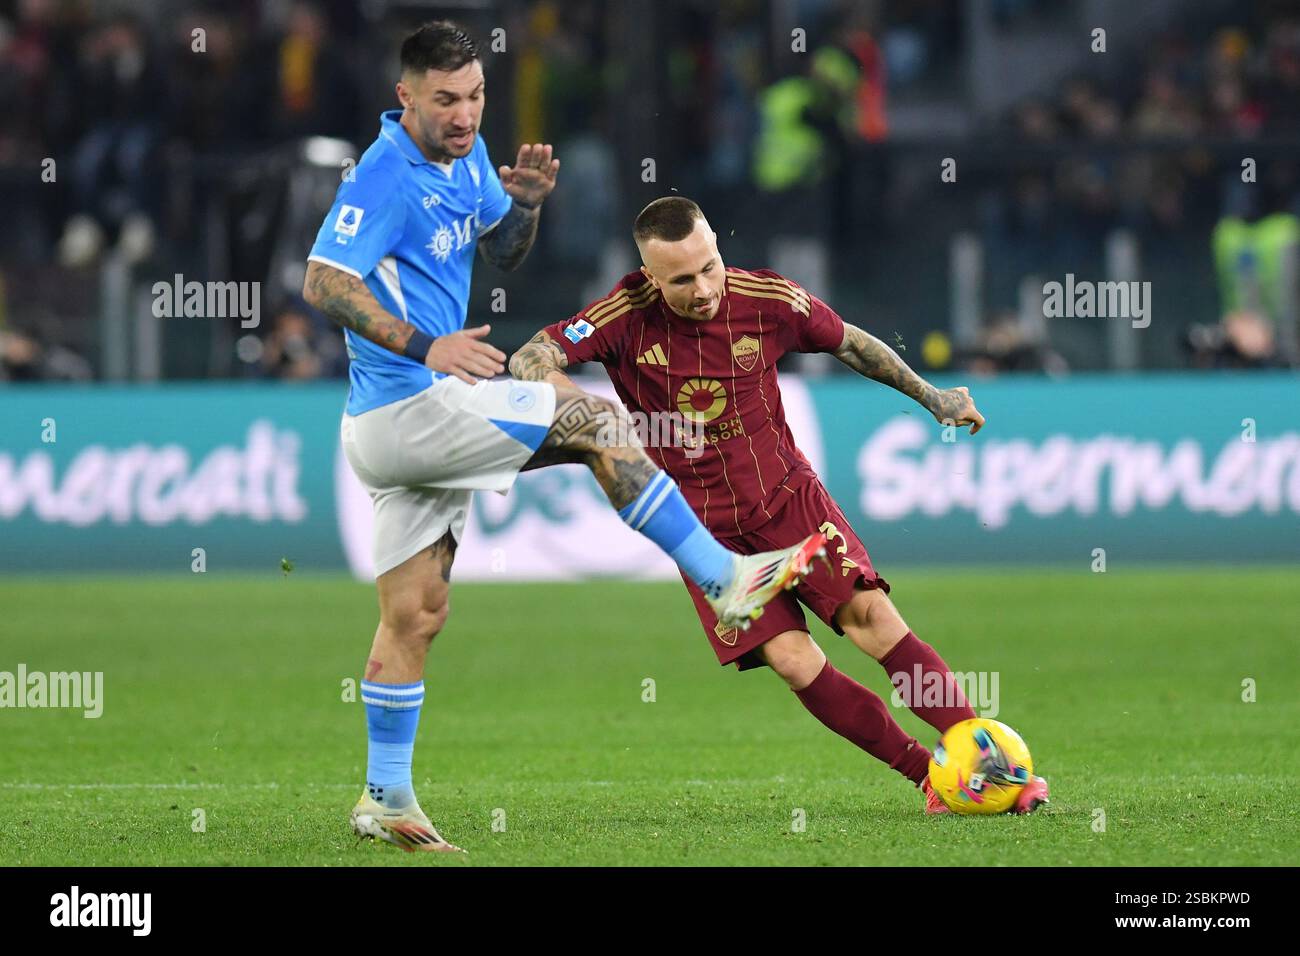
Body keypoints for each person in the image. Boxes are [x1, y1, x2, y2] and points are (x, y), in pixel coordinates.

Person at [302, 26, 822, 853]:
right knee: (597, 422)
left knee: (415, 616)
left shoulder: (465, 157)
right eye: (446, 100)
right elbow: (323, 280)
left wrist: (528, 208)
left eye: (474, 95)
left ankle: (384, 797)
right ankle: (724, 577)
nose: (466, 112)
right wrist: (424, 345)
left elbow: (501, 253)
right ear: (406, 98)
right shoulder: (382, 176)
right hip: (415, 402)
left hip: (397, 428)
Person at [510, 196, 1049, 815]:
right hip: (702, 535)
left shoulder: (768, 300)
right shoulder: (622, 315)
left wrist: (933, 397)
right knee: (795, 662)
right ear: (650, 278)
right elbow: (530, 357)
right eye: (681, 279)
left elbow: (850, 343)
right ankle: (931, 777)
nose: (704, 287)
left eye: (709, 266)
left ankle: (991, 766)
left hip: (787, 500)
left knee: (870, 618)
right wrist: (585, 409)